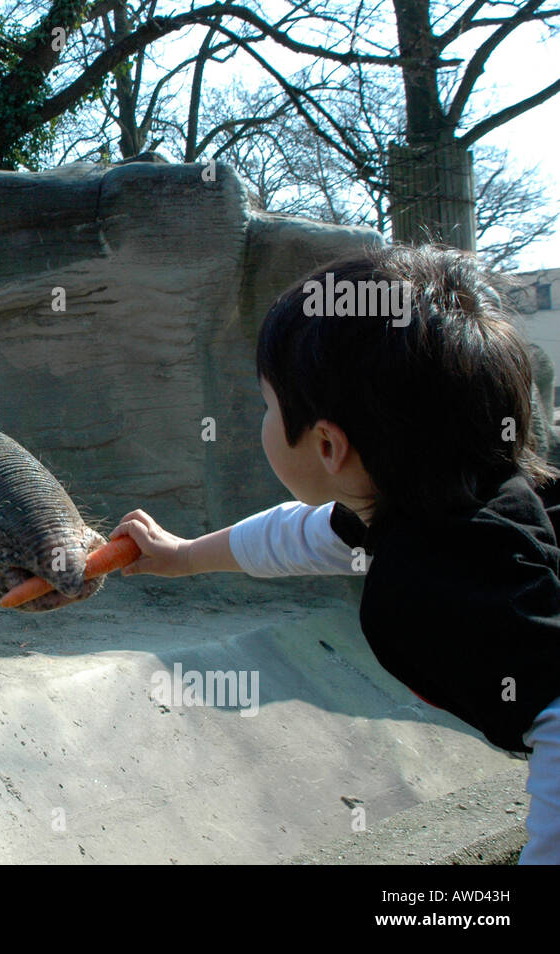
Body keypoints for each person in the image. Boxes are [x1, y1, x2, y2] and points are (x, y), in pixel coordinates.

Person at [110, 244, 560, 864]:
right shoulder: (456, 494)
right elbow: (308, 532)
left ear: (327, 445)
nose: (261, 422)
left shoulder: (442, 588)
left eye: (267, 406)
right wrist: (184, 555)